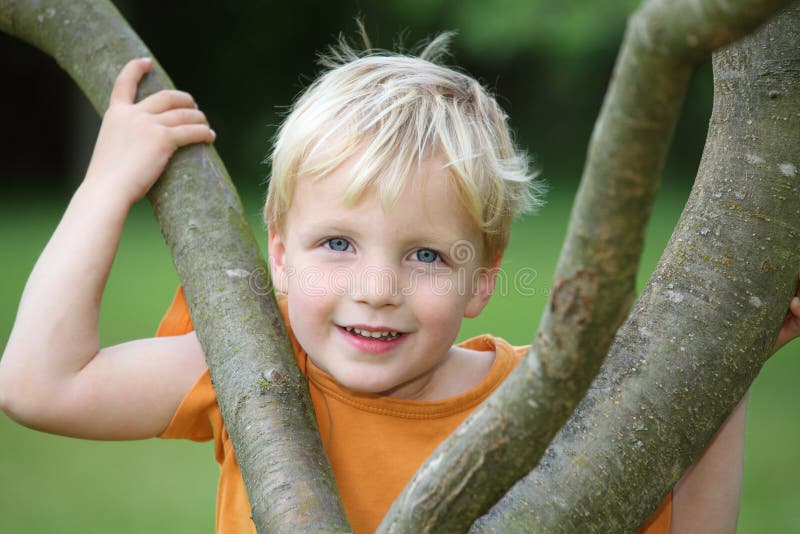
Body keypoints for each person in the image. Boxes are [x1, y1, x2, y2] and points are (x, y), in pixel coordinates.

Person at [1, 36, 798, 533]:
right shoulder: (251, 356)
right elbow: (40, 383)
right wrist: (105, 186)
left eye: (425, 256)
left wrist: (722, 365)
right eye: (338, 243)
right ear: (278, 255)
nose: (376, 287)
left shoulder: (550, 400)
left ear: (482, 276)